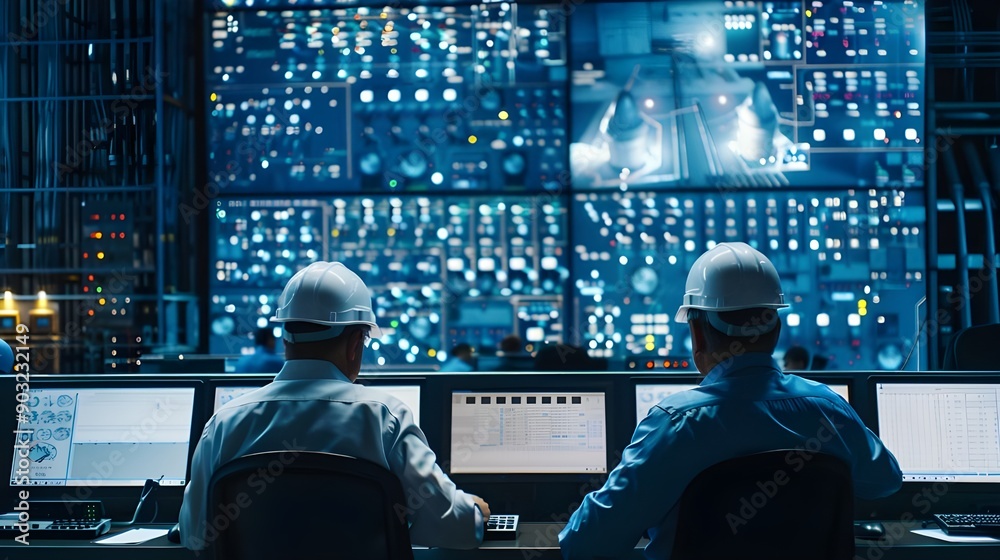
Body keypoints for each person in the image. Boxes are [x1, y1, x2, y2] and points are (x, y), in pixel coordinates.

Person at [559, 242, 902, 559]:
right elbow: (885, 481)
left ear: (696, 334)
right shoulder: (828, 408)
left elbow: (586, 545)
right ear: (776, 329)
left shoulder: (676, 423)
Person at [180, 262, 489, 550]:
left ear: (285, 336)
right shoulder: (383, 419)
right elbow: (454, 528)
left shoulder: (224, 423)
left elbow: (194, 535)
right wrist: (473, 511)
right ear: (356, 341)